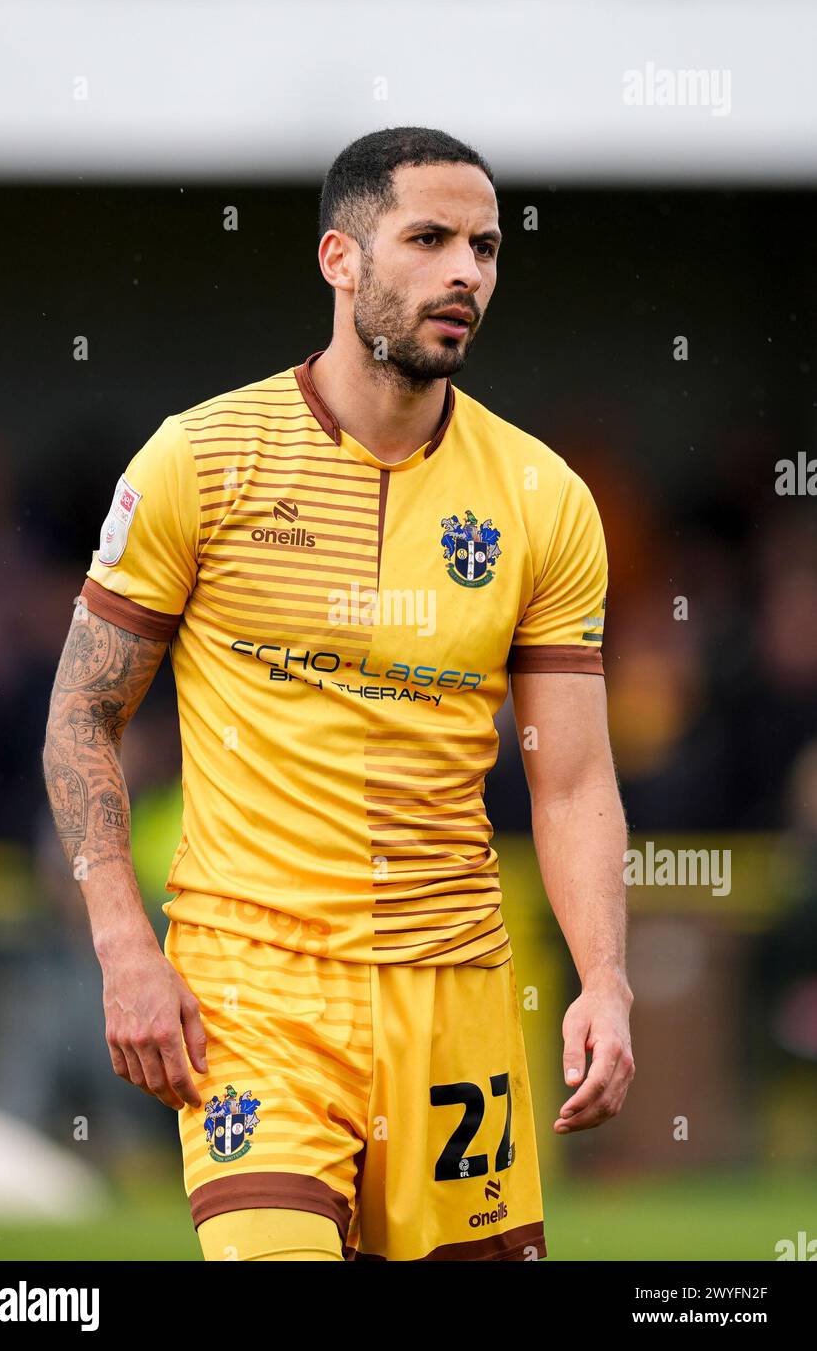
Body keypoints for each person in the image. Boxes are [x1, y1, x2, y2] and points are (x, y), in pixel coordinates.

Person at [42, 126, 634, 1262]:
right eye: (427, 239)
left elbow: (571, 782)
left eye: (486, 246)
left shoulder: (543, 497)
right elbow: (80, 715)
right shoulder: (200, 461)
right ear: (339, 259)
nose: (465, 271)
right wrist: (125, 947)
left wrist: (602, 979)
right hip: (252, 985)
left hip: (453, 991)